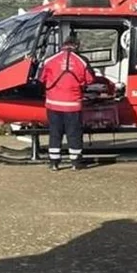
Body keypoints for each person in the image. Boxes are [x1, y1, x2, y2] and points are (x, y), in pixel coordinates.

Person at [38, 31, 105, 170]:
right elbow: (90, 79)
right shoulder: (81, 60)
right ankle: (75, 162)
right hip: (73, 105)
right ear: (76, 46)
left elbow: (41, 78)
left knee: (55, 133)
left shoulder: (50, 60)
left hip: (53, 105)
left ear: (63, 45)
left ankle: (54, 163)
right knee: (74, 133)